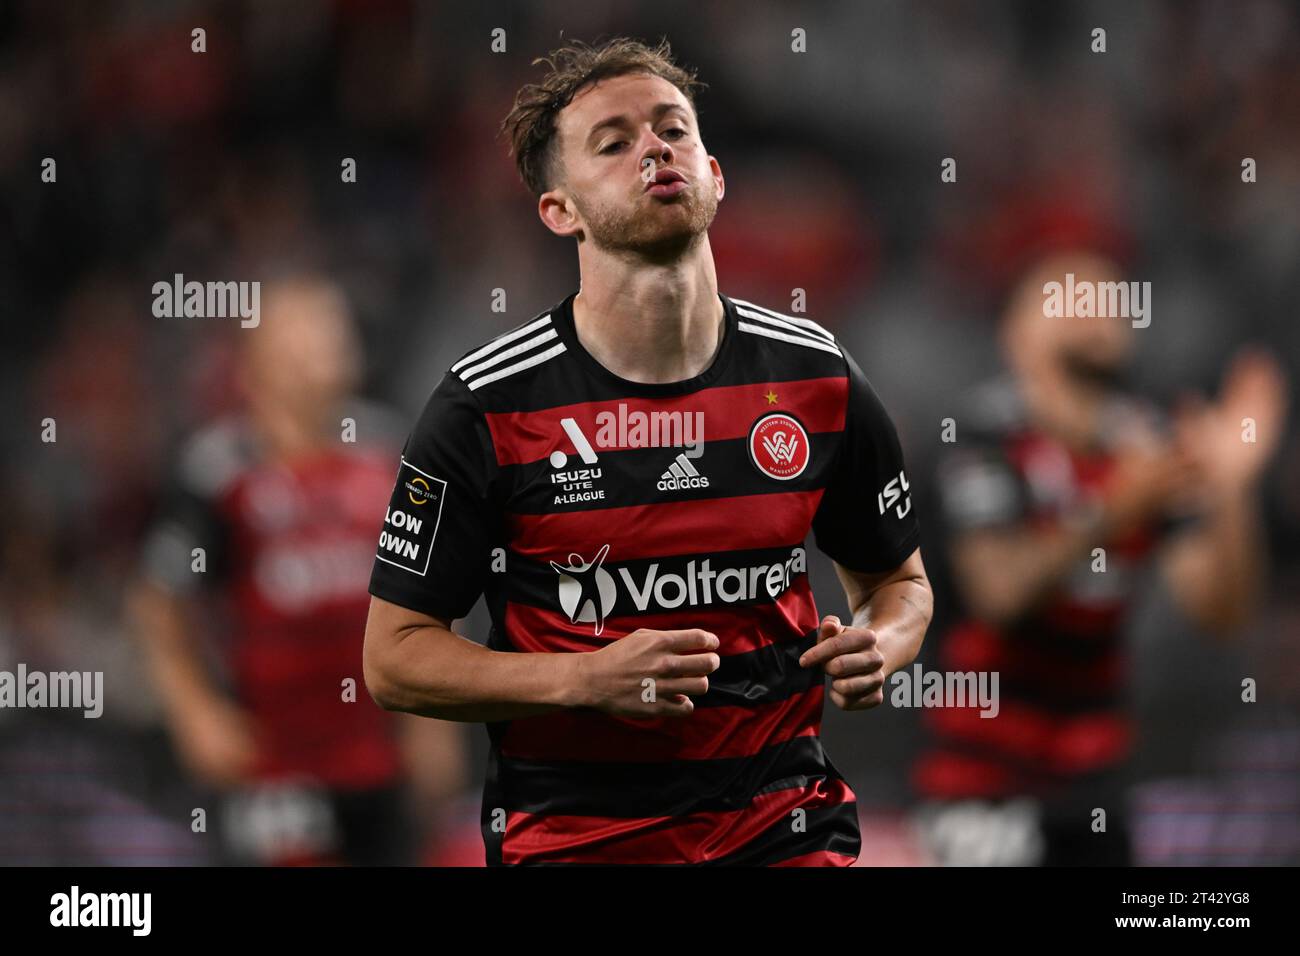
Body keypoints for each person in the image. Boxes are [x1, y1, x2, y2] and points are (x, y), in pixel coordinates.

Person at [363, 36, 933, 866]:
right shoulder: (485, 405)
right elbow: (393, 659)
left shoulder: (818, 377)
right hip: (579, 840)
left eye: (673, 129)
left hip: (786, 829)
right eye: (614, 142)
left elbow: (899, 583)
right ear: (561, 209)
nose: (654, 149)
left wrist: (881, 643)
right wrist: (581, 679)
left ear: (715, 174)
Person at [911, 250, 1288, 865]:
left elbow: (1219, 611)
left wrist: (1228, 490)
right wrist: (1110, 511)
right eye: (1067, 296)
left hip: (1097, 781)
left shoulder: (1143, 445)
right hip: (985, 785)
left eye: (1110, 298)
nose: (1094, 311)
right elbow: (999, 591)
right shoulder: (981, 436)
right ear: (1018, 332)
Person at [133, 275, 466, 865]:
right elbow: (158, 601)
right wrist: (195, 712)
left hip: (376, 751)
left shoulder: (391, 452)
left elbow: (433, 588)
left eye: (333, 335)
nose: (325, 351)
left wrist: (434, 718)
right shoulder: (219, 474)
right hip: (273, 759)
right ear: (257, 360)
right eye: (305, 337)